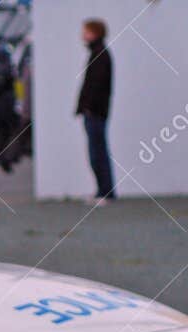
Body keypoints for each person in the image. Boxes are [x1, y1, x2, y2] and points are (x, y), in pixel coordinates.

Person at [76, 18, 115, 203]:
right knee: (97, 152)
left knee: (98, 153)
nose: (83, 34)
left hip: (95, 113)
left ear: (95, 33)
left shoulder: (100, 55)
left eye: (86, 31)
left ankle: (105, 192)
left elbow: (95, 87)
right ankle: (103, 190)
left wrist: (89, 108)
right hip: (94, 112)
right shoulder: (97, 54)